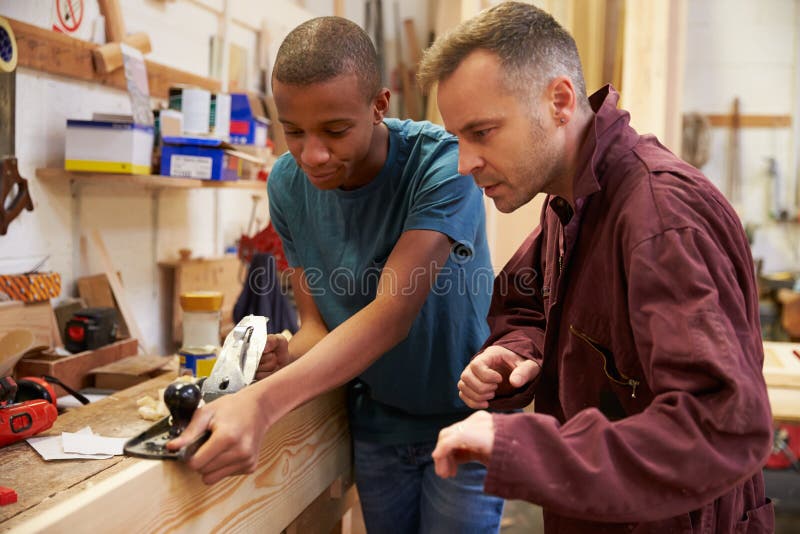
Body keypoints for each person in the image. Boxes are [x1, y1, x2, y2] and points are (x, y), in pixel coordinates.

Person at [417, 2, 775, 533]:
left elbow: (723, 426)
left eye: (483, 133)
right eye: (457, 140)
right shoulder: (569, 202)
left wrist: (522, 448)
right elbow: (526, 302)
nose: (464, 163)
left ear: (559, 101)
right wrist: (514, 353)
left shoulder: (659, 217)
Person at [169, 16, 504, 533]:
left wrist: (261, 405)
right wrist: (287, 352)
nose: (312, 155)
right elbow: (317, 328)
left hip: (464, 419)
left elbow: (391, 315)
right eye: (294, 132)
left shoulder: (442, 164)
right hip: (375, 425)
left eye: (334, 130)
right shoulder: (286, 184)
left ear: (379, 106)